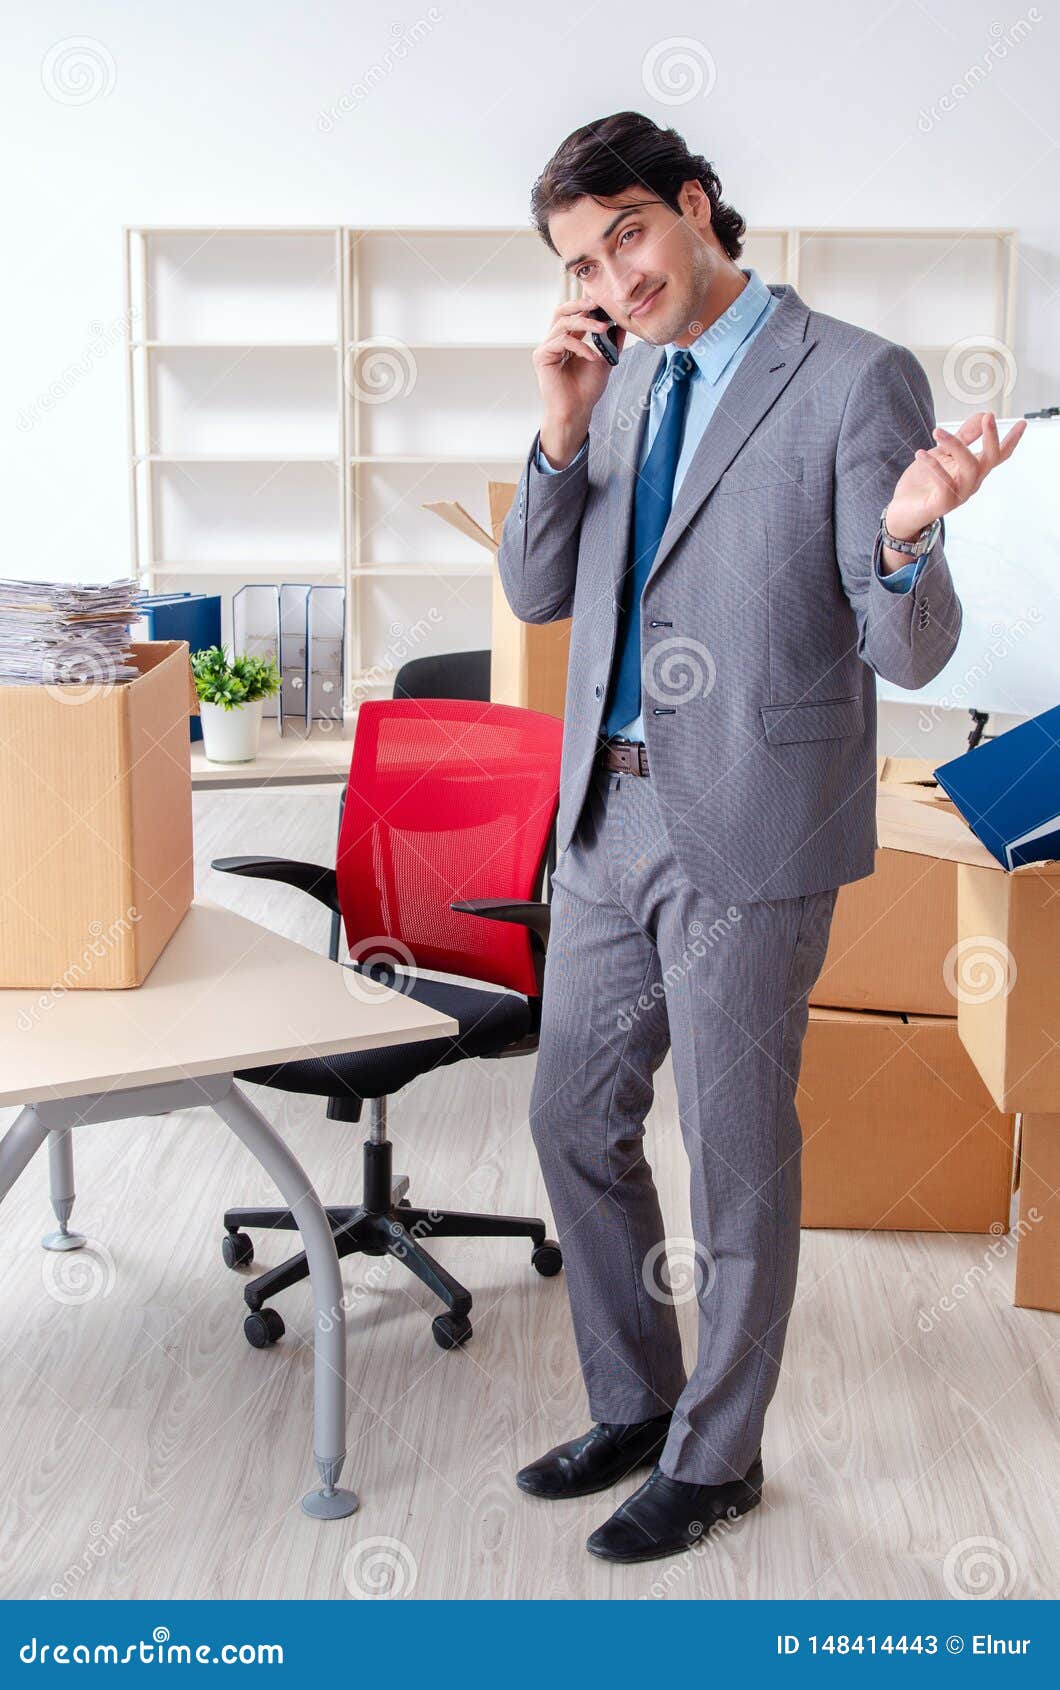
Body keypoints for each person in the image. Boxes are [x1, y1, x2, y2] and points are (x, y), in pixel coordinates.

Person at [497, 110, 1025, 1566]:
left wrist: (912, 536)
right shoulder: (611, 375)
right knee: (568, 1116)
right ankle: (638, 1400)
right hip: (605, 813)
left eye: (631, 237)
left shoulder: (852, 378)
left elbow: (905, 652)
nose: (616, 277)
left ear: (697, 204)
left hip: (750, 821)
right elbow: (542, 595)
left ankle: (719, 1455)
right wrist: (556, 431)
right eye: (584, 263)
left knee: (735, 1153)